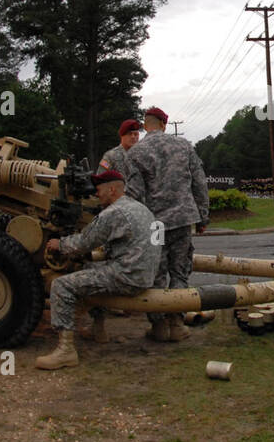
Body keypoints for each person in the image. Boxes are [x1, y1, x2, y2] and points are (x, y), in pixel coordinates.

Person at [37, 170, 160, 370]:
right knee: (91, 268)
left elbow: (84, 242)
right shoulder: (141, 209)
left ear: (112, 189)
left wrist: (59, 245)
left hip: (127, 277)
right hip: (144, 274)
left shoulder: (113, 213)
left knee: (61, 285)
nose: (96, 193)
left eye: (99, 189)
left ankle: (65, 350)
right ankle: (98, 329)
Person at [126, 107, 210, 342]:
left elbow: (133, 194)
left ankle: (159, 326)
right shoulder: (184, 146)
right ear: (165, 123)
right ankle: (177, 324)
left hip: (154, 225)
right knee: (180, 272)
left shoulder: (136, 152)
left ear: (145, 125)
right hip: (183, 220)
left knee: (157, 274)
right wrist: (203, 216)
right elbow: (199, 183)